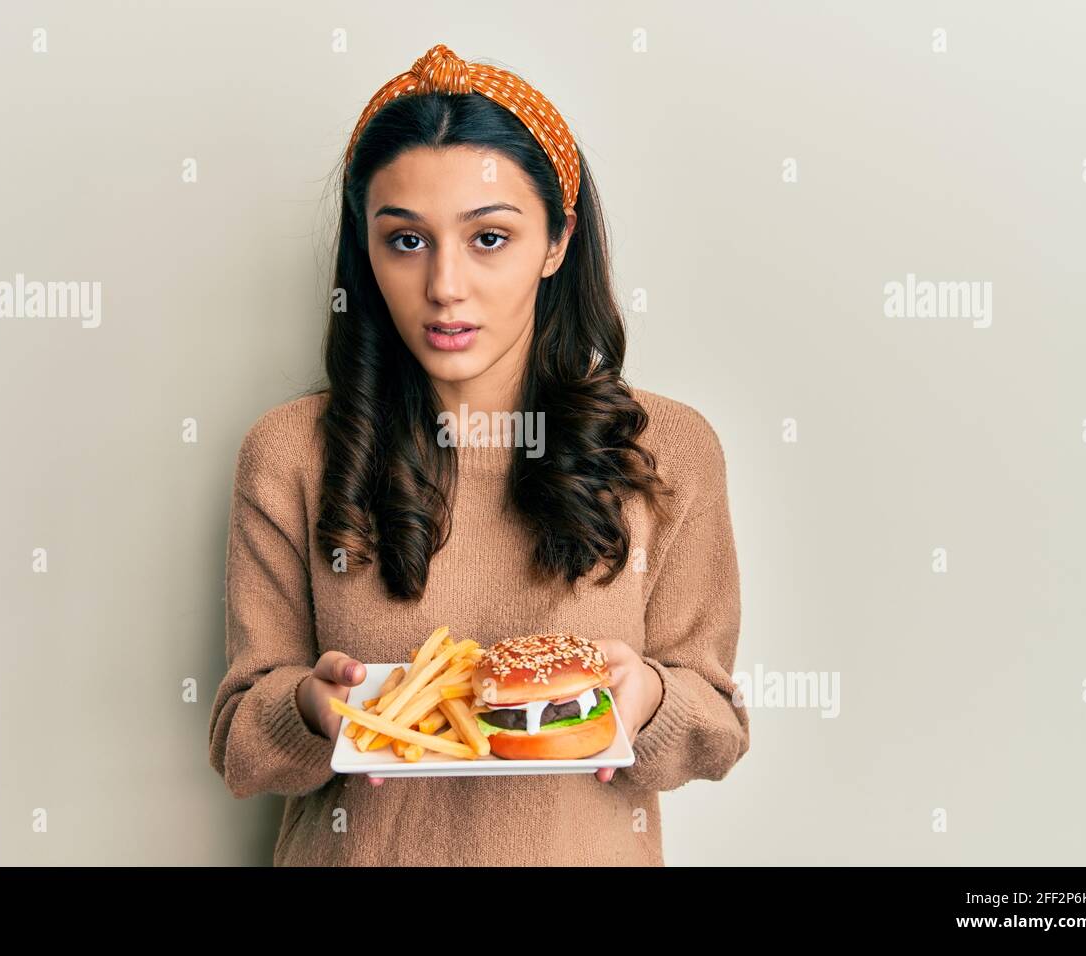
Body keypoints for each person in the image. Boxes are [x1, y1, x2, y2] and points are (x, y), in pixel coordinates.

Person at [208, 43, 749, 866]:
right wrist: (310, 710)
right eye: (407, 242)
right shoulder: (289, 454)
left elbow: (716, 726)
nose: (446, 286)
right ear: (368, 251)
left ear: (557, 243)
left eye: (489, 238)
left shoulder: (669, 451)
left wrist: (647, 702)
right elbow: (242, 744)